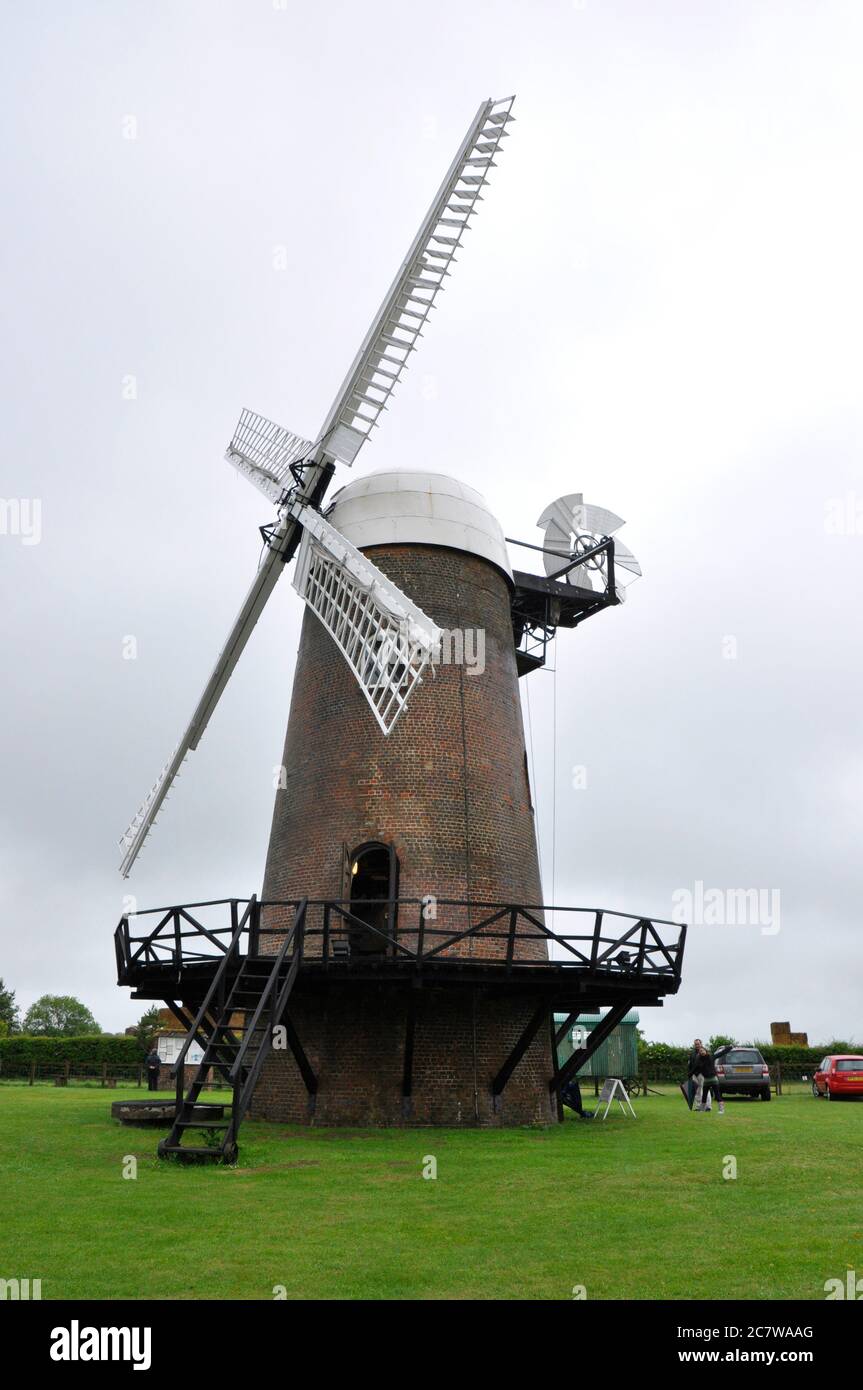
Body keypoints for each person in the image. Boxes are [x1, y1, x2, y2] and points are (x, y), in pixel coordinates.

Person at [693, 1042, 725, 1114]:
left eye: (702, 1050)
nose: (701, 1052)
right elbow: (695, 1069)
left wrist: (729, 1048)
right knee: (704, 1096)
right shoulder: (699, 1060)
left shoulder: (711, 1057)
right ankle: (702, 1109)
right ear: (699, 1053)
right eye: (700, 1051)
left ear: (705, 1051)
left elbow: (721, 1053)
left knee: (717, 1095)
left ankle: (721, 1110)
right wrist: (690, 1074)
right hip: (706, 1080)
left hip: (713, 1079)